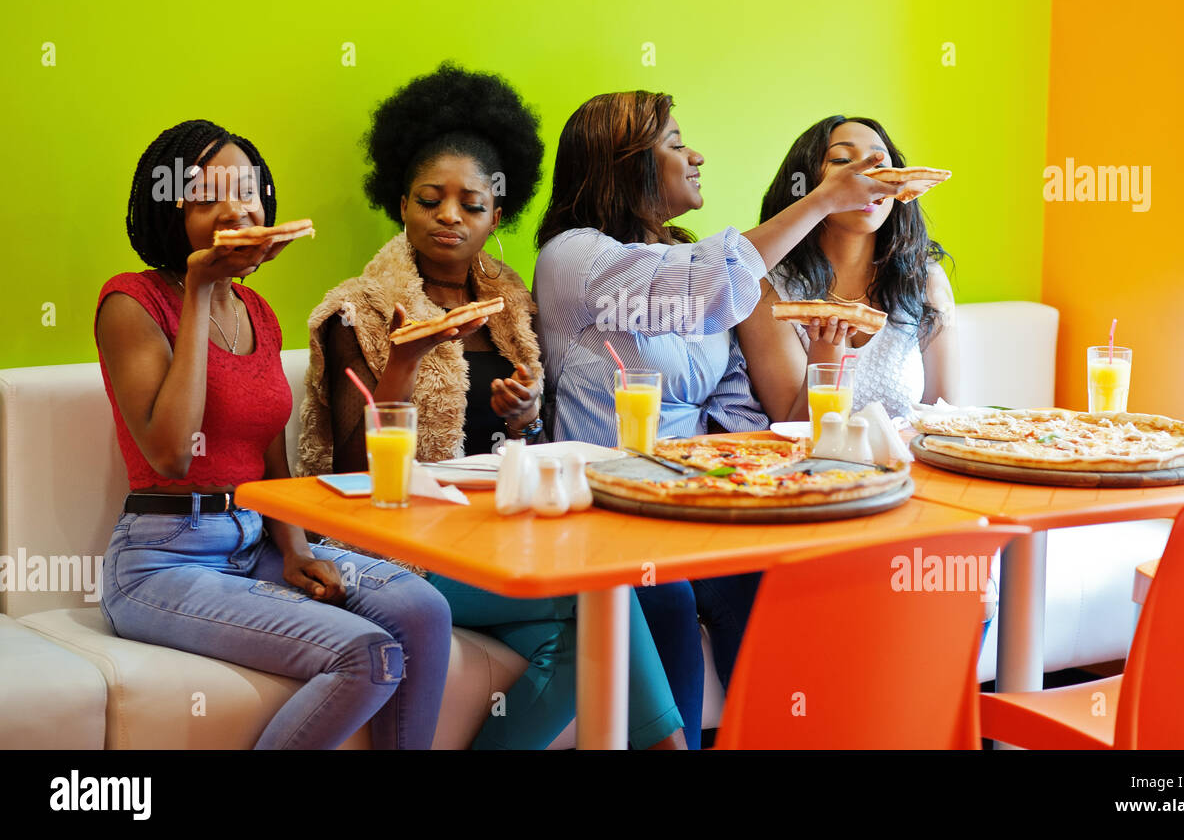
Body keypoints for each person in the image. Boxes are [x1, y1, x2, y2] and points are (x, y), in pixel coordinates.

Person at [296, 64, 687, 749]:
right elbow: (357, 475)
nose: (450, 217)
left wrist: (524, 413)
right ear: (402, 204)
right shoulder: (355, 310)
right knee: (599, 594)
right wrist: (407, 359)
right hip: (393, 552)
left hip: (494, 532)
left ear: (495, 216)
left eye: (471, 205)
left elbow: (523, 444)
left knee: (584, 633)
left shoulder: (509, 305)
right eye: (430, 199)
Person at [533, 91, 898, 746]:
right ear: (626, 166)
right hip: (611, 509)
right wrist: (821, 200)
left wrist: (823, 359)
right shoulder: (575, 259)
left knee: (781, 581)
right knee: (665, 595)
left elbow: (743, 414)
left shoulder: (686, 258)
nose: (695, 155)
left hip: (699, 507)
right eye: (675, 143)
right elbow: (695, 283)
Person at [96, 120, 453, 750]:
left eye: (248, 192)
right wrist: (201, 288)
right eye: (209, 198)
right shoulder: (132, 301)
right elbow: (172, 454)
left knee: (424, 611)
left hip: (257, 541)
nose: (237, 209)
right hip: (164, 560)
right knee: (367, 656)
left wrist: (294, 550)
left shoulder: (258, 311)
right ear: (170, 211)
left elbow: (272, 465)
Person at [737, 115, 959, 422]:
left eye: (881, 165)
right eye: (842, 159)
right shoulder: (765, 289)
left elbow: (944, 419)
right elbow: (795, 433)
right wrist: (826, 353)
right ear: (805, 186)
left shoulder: (925, 281)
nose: (867, 175)